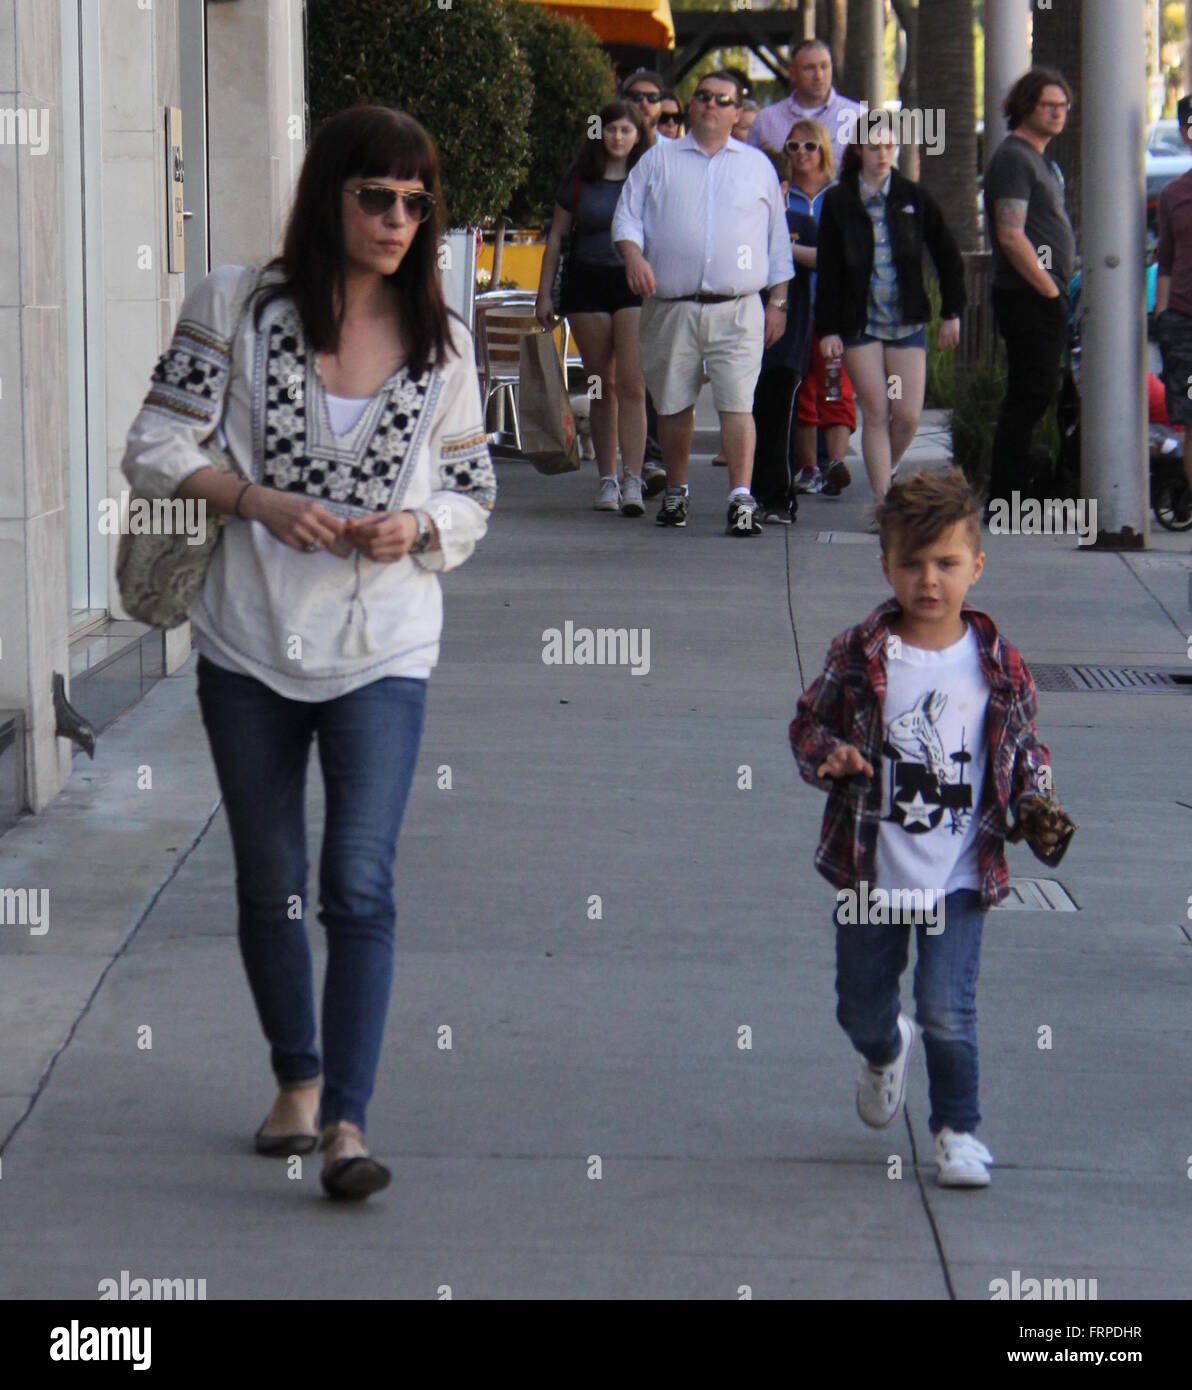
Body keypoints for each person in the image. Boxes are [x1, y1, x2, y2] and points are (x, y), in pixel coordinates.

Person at [122, 105, 495, 1202]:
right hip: (245, 642)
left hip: (383, 645)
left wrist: (416, 529)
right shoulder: (236, 307)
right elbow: (153, 445)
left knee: (357, 880)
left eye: (417, 203)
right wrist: (252, 498)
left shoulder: (443, 344)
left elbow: (474, 494)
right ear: (328, 196)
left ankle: (348, 1120)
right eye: (375, 196)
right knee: (269, 875)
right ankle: (295, 1072)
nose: (397, 219)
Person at [789, 468, 1073, 1188]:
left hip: (960, 873)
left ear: (976, 566)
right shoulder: (860, 652)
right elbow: (809, 723)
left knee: (948, 1010)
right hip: (872, 870)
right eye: (911, 563)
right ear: (885, 563)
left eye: (946, 563)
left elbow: (1023, 751)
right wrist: (832, 756)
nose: (929, 580)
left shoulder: (998, 665)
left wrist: (1035, 803)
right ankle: (884, 1052)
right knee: (859, 1005)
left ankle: (957, 1131)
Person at [612, 71, 795, 536]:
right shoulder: (657, 161)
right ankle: (676, 490)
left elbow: (777, 243)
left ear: (737, 112)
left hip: (737, 306)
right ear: (691, 106)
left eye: (723, 100)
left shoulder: (757, 166)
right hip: (672, 304)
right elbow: (627, 217)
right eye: (704, 97)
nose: (712, 105)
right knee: (673, 405)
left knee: (738, 403)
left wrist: (779, 302)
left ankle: (740, 498)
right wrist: (632, 256)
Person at [816, 119, 965, 515]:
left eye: (889, 147)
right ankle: (884, 502)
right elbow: (829, 267)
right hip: (859, 326)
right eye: (874, 147)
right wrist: (828, 328)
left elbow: (947, 253)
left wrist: (952, 311)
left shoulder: (912, 198)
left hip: (904, 325)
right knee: (877, 409)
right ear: (859, 152)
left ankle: (889, 465)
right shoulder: (839, 202)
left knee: (905, 413)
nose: (883, 155)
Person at [535, 101, 649, 515]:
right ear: (599, 133)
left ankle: (634, 478)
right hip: (587, 283)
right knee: (601, 383)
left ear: (637, 136)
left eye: (626, 130)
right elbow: (556, 238)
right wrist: (544, 293)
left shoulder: (648, 176)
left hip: (634, 284)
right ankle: (606, 478)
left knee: (632, 383)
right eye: (611, 129)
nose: (618, 137)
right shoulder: (580, 177)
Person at [984, 68, 1077, 517]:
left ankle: (1017, 489)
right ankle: (1006, 496)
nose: (1059, 113)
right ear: (1025, 107)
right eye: (1049, 105)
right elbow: (1010, 233)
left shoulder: (1040, 160)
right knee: (1030, 393)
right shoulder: (1015, 159)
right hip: (1027, 297)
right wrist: (1047, 289)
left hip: (1042, 296)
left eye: (1063, 106)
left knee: (1038, 392)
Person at [783, 118, 857, 498]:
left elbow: (848, 255)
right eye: (793, 147)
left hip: (833, 311)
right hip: (791, 310)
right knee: (803, 391)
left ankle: (835, 464)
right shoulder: (779, 194)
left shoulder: (841, 195)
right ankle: (809, 467)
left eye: (809, 146)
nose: (801, 154)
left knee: (835, 387)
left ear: (824, 150)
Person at [751, 148, 818, 524]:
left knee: (778, 415)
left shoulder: (801, 223)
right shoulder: (739, 225)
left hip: (787, 340)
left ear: (785, 188)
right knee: (752, 415)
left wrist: (783, 247)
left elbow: (826, 257)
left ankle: (779, 496)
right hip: (745, 338)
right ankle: (753, 492)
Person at [620, 69, 669, 496]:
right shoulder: (610, 152)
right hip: (615, 279)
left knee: (655, 372)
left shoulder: (674, 155)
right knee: (629, 378)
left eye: (652, 97)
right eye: (635, 96)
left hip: (666, 279)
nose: (644, 104)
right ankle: (640, 462)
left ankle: (654, 459)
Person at [1154, 93, 1192, 515]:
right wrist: (1162, 316)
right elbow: (1165, 259)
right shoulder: (1173, 195)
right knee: (1191, 421)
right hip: (1183, 321)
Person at [747, 37, 861, 173]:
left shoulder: (858, 116)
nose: (819, 75)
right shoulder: (766, 121)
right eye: (809, 68)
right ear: (792, 73)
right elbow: (749, 171)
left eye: (824, 66)